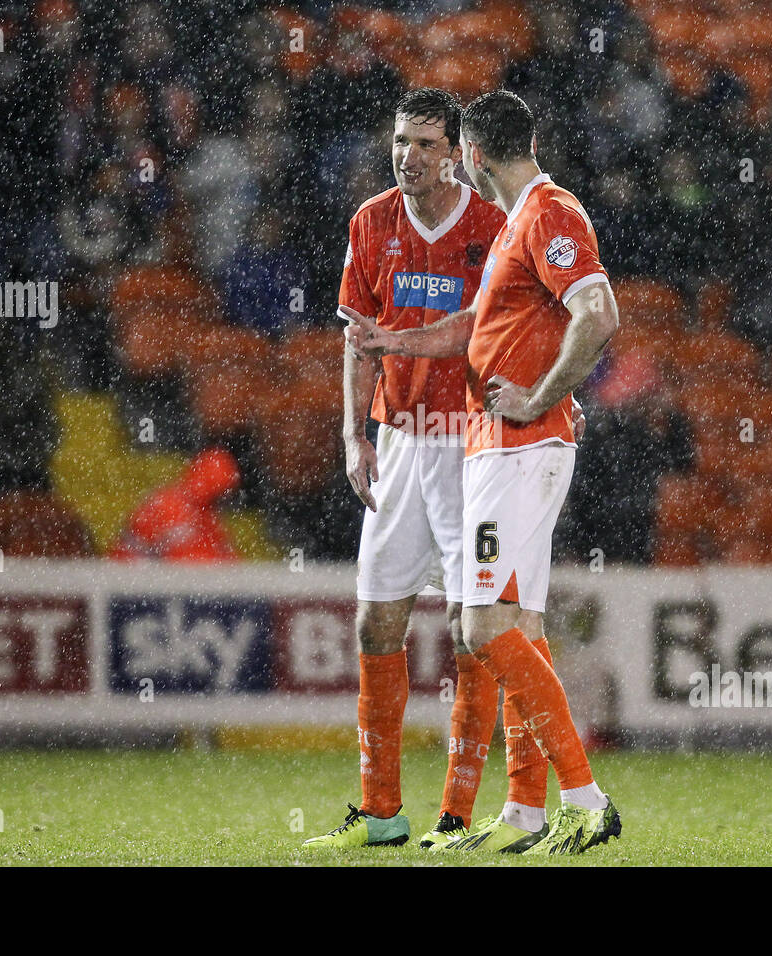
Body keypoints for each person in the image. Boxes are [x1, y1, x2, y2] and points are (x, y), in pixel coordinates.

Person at [346, 90, 621, 855]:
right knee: (518, 624)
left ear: (469, 153)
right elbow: (484, 332)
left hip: (517, 444)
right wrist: (398, 343)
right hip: (502, 440)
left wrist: (544, 394)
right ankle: (527, 812)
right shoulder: (521, 223)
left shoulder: (543, 214)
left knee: (481, 625)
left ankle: (588, 799)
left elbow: (598, 312)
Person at [304, 88, 550, 851]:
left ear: (456, 154)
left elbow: (472, 330)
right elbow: (357, 338)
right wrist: (353, 434)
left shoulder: (491, 227)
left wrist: (395, 344)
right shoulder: (371, 222)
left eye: (424, 145)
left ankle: (455, 811)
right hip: (401, 438)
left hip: (470, 440)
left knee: (470, 629)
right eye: (400, 142)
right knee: (376, 618)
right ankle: (381, 812)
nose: (407, 157)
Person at [109, 447, 241, 562]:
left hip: (166, 583)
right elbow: (128, 555)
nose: (222, 502)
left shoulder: (207, 518)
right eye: (221, 495)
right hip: (144, 585)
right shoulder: (167, 507)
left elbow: (225, 566)